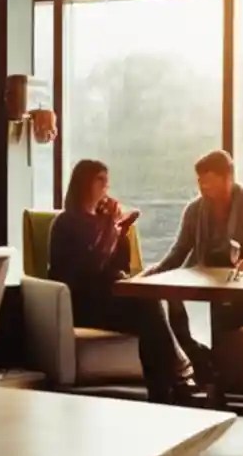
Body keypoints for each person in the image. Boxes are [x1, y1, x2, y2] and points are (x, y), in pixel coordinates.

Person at [144, 150, 243, 382]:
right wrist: (151, 276)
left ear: (228, 178)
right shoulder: (194, 210)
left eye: (208, 181)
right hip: (209, 286)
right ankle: (199, 364)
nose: (203, 187)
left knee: (231, 319)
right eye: (200, 181)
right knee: (170, 300)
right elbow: (179, 251)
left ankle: (218, 376)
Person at [49, 159, 198, 403]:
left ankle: (165, 388)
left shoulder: (102, 221)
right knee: (148, 309)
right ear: (84, 183)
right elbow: (87, 268)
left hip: (106, 297)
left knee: (148, 308)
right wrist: (110, 229)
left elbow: (119, 268)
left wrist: (121, 234)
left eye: (107, 180)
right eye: (100, 179)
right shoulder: (65, 223)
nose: (106, 185)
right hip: (79, 302)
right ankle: (175, 378)